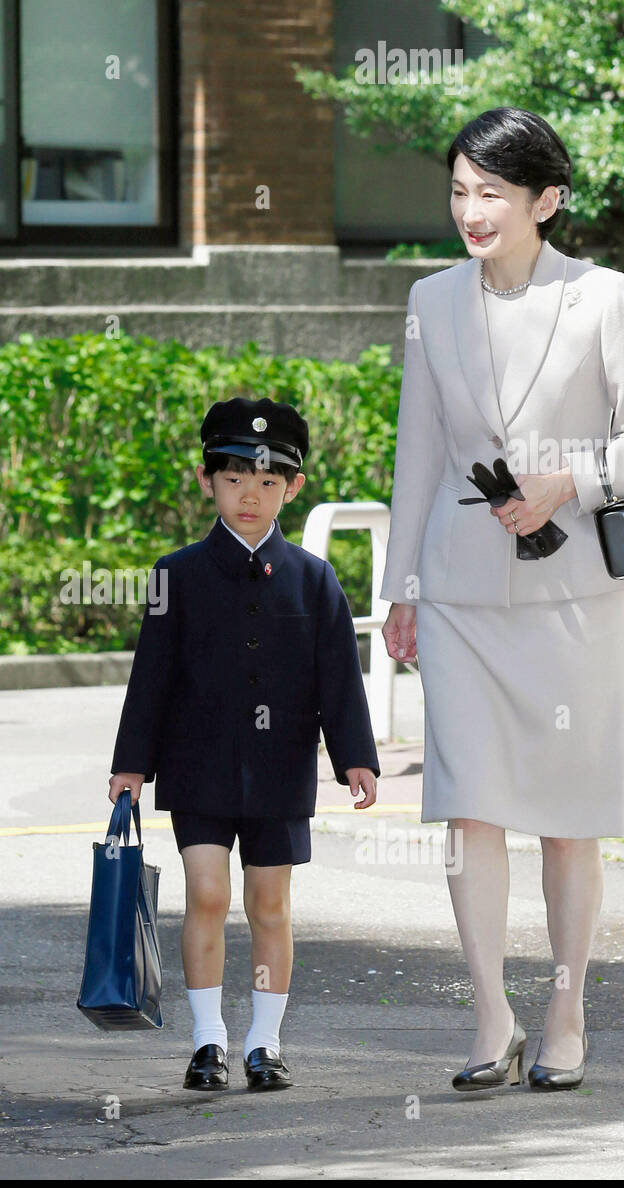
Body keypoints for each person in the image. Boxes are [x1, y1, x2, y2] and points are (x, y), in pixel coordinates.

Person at [379, 107, 624, 1092]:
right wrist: (400, 588)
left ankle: (564, 1002)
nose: (470, 210)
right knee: (465, 807)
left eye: (491, 194)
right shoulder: (431, 299)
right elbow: (416, 450)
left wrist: (566, 478)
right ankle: (488, 1013)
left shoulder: (600, 299)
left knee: (565, 815)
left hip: (569, 596)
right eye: (459, 190)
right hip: (461, 588)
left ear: (544, 200)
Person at [109, 397, 380, 1092]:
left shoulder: (315, 580)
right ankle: (207, 1041)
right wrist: (130, 765)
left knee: (269, 906)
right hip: (196, 766)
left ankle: (265, 1041)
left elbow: (338, 679)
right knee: (205, 893)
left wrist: (355, 756)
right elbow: (151, 678)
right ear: (206, 482)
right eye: (233, 479)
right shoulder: (176, 574)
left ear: (292, 486)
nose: (249, 495)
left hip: (281, 772)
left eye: (266, 481)